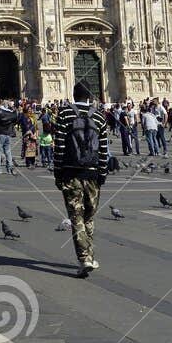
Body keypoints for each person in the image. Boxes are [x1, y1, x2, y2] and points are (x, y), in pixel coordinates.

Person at [53, 81, 110, 277]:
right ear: (90, 97)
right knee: (89, 217)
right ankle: (90, 256)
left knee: (76, 217)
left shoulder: (65, 114)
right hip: (93, 174)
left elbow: (59, 146)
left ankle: (84, 258)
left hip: (71, 173)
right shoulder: (100, 116)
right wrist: (102, 174)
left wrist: (57, 172)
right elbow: (104, 150)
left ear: (74, 95)